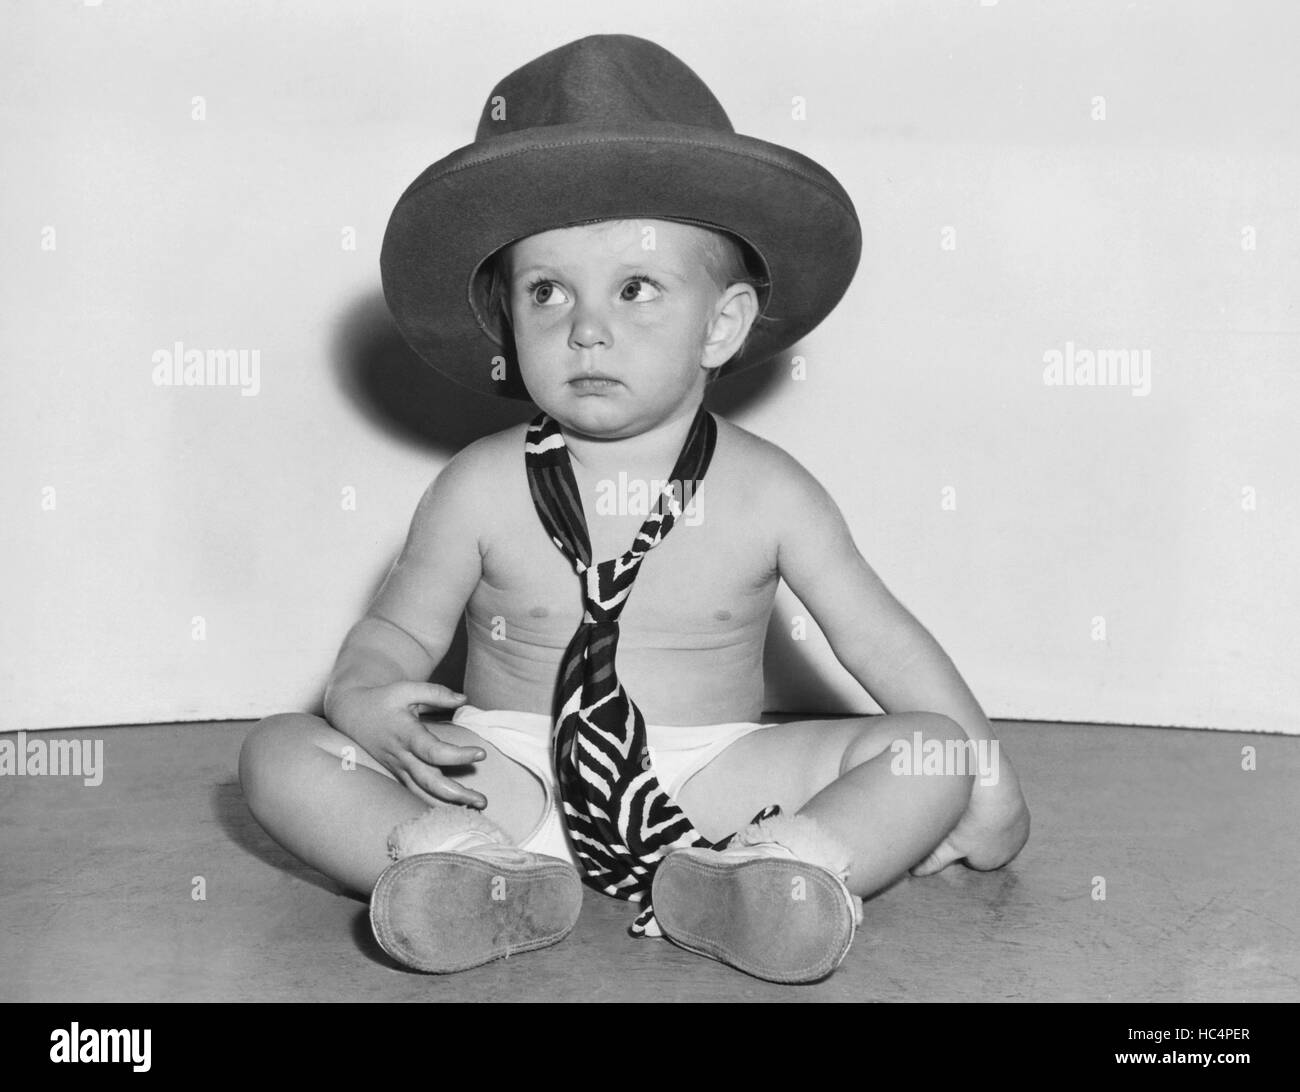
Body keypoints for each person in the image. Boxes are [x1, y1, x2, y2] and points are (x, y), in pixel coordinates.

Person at [239, 33, 1030, 985]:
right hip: (501, 783)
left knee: (929, 753)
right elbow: (396, 631)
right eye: (546, 291)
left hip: (723, 787)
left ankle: (773, 876)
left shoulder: (770, 490)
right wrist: (362, 698)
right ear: (507, 322)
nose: (587, 326)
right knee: (278, 754)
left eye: (636, 287)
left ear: (722, 324)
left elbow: (883, 642)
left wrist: (989, 784)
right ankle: (462, 873)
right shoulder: (478, 486)